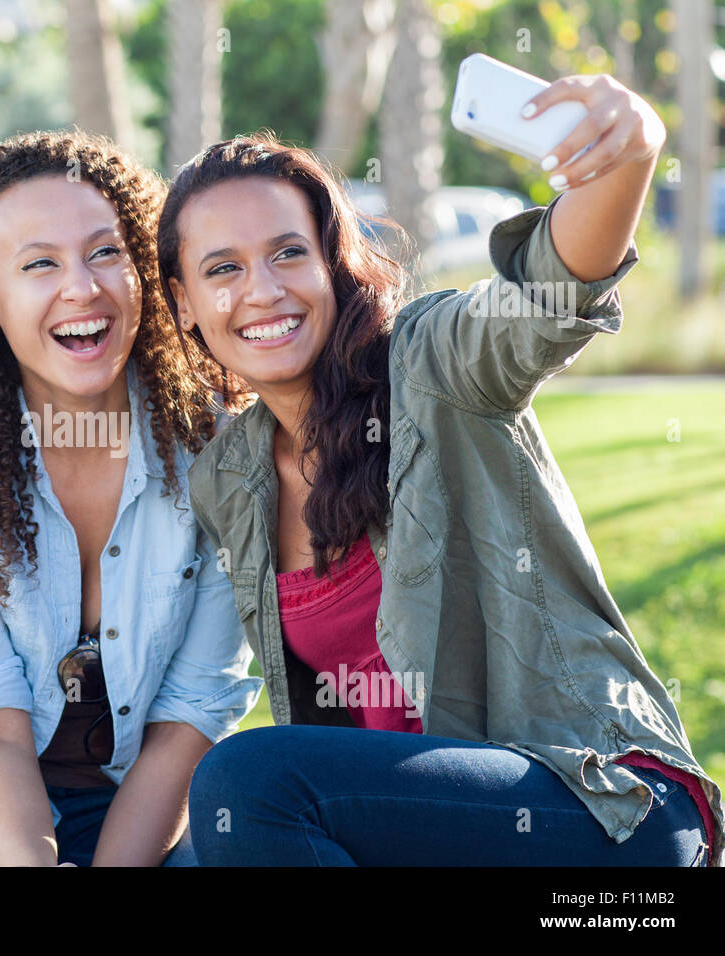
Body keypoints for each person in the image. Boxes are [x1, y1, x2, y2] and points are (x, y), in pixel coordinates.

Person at [156, 74, 722, 866]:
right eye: (223, 269)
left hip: (604, 812)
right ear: (183, 302)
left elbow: (547, 296)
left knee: (251, 779)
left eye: (289, 252)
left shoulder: (432, 364)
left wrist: (625, 161)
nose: (264, 289)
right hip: (438, 835)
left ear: (332, 264)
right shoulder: (230, 478)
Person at [0, 130, 260, 867]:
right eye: (39, 263)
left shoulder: (222, 447)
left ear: (143, 272)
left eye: (106, 252)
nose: (82, 286)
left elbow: (189, 716)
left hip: (142, 784)